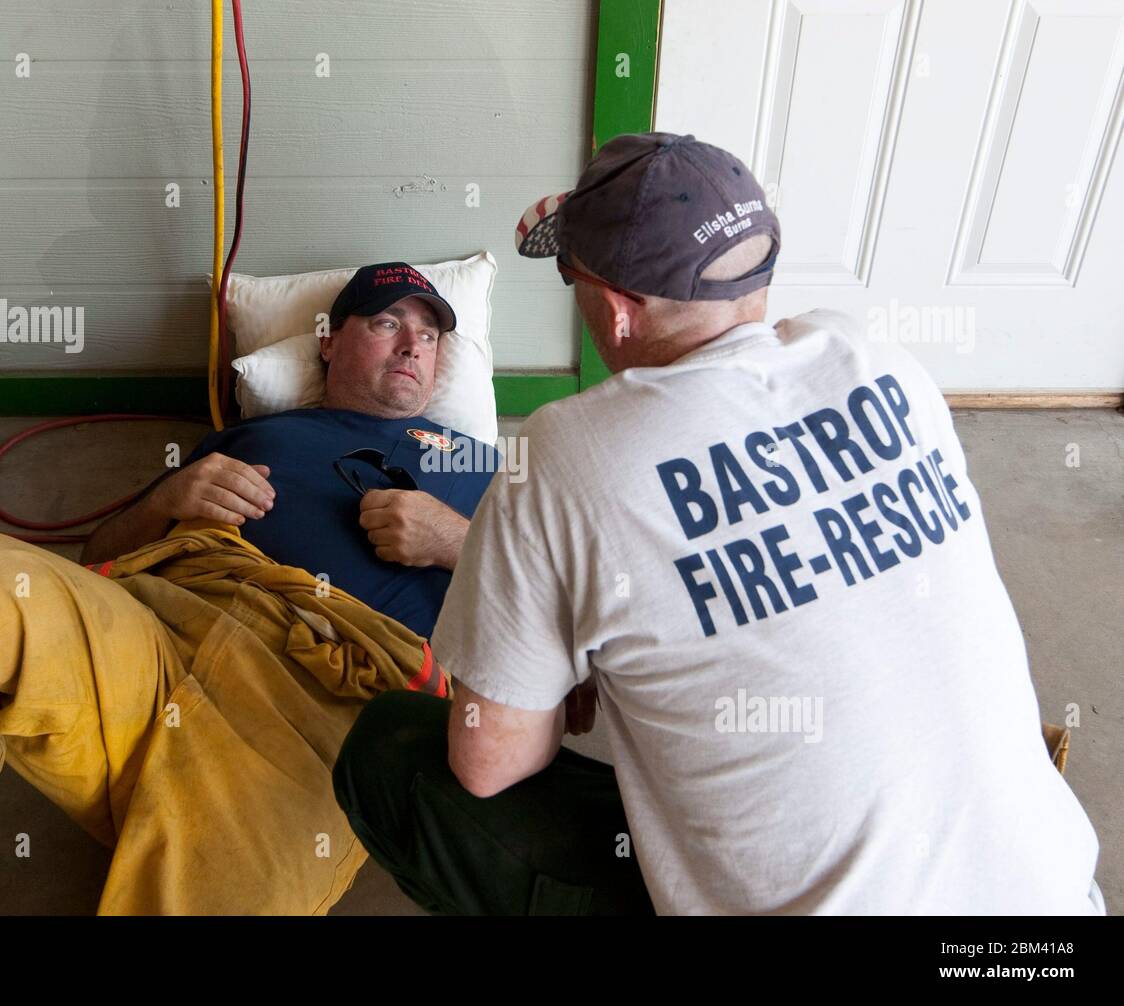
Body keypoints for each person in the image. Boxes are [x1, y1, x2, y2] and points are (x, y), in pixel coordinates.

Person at [333, 134, 1107, 915]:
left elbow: (489, 764)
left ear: (615, 307)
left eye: (572, 276)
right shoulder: (877, 361)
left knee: (394, 752)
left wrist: (556, 653)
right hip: (1052, 906)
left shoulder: (565, 451)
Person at [0, 262, 496, 915]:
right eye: (386, 322)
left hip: (324, 702)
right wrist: (164, 502)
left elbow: (567, 604)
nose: (412, 345)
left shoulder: (478, 468)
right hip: (156, 634)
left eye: (431, 336)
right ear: (328, 339)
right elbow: (99, 560)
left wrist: (457, 542)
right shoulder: (255, 436)